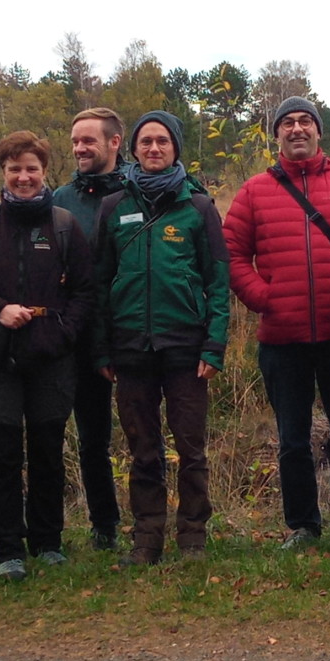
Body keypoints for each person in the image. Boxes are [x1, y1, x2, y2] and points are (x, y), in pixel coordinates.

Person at [225, 96, 330, 550]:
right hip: (281, 338)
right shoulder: (253, 192)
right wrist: (262, 297)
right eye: (287, 123)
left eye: (305, 120)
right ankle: (303, 526)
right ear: (277, 135)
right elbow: (231, 254)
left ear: (319, 130)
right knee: (292, 439)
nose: (297, 128)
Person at [0, 131, 96, 580]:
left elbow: (86, 292)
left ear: (44, 171)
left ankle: (48, 541)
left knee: (49, 451)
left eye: (31, 168)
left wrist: (62, 333)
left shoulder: (64, 225)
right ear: (3, 173)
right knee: (3, 451)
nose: (24, 177)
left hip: (51, 358)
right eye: (15, 169)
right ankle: (8, 547)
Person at [92, 110, 229, 565]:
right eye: (145, 141)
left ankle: (192, 536)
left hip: (187, 349)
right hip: (131, 348)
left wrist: (214, 344)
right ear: (132, 149)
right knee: (143, 451)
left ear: (176, 149)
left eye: (163, 142)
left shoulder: (199, 207)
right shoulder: (114, 208)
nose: (154, 148)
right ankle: (146, 538)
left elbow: (217, 281)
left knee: (191, 449)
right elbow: (98, 282)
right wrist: (102, 348)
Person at [49, 107, 129, 550]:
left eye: (89, 140)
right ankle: (104, 526)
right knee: (90, 437)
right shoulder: (61, 199)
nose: (80, 148)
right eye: (76, 140)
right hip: (78, 336)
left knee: (144, 434)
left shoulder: (139, 192)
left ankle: (158, 525)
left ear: (115, 142)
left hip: (133, 329)